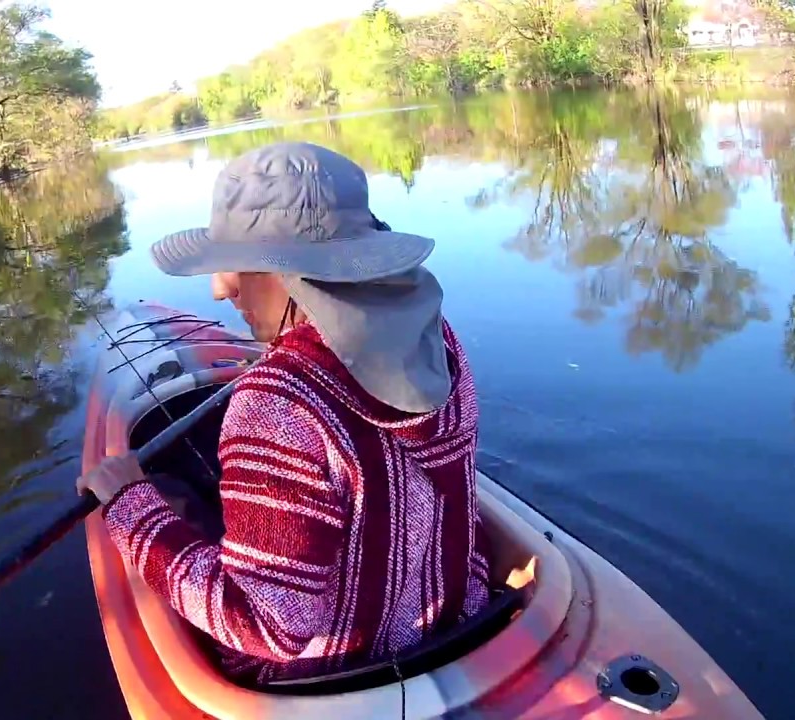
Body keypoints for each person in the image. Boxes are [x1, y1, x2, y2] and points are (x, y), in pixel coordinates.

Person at [77, 142, 494, 685]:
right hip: (456, 622)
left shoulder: (272, 403)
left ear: (294, 272)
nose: (218, 288)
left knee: (176, 504)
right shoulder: (438, 338)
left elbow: (265, 626)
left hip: (333, 675)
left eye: (238, 266)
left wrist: (133, 508)